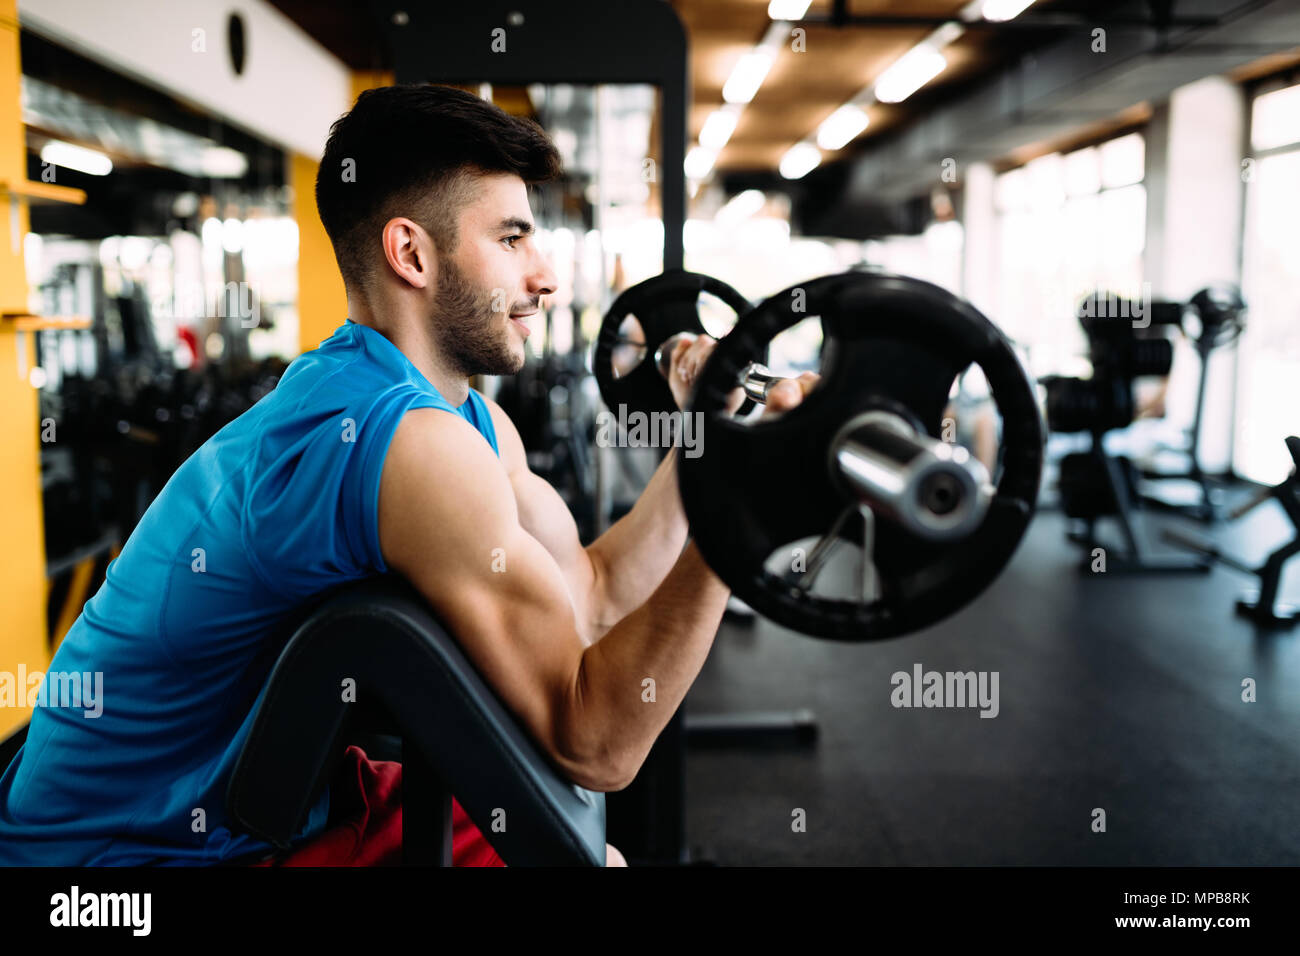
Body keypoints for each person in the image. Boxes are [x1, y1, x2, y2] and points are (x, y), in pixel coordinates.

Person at [0, 84, 815, 866]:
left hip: (247, 802)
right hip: (119, 857)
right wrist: (734, 515)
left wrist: (708, 437)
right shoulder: (405, 444)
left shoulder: (461, 420)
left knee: (577, 851)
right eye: (511, 239)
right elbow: (596, 740)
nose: (547, 275)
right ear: (411, 254)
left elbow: (593, 594)